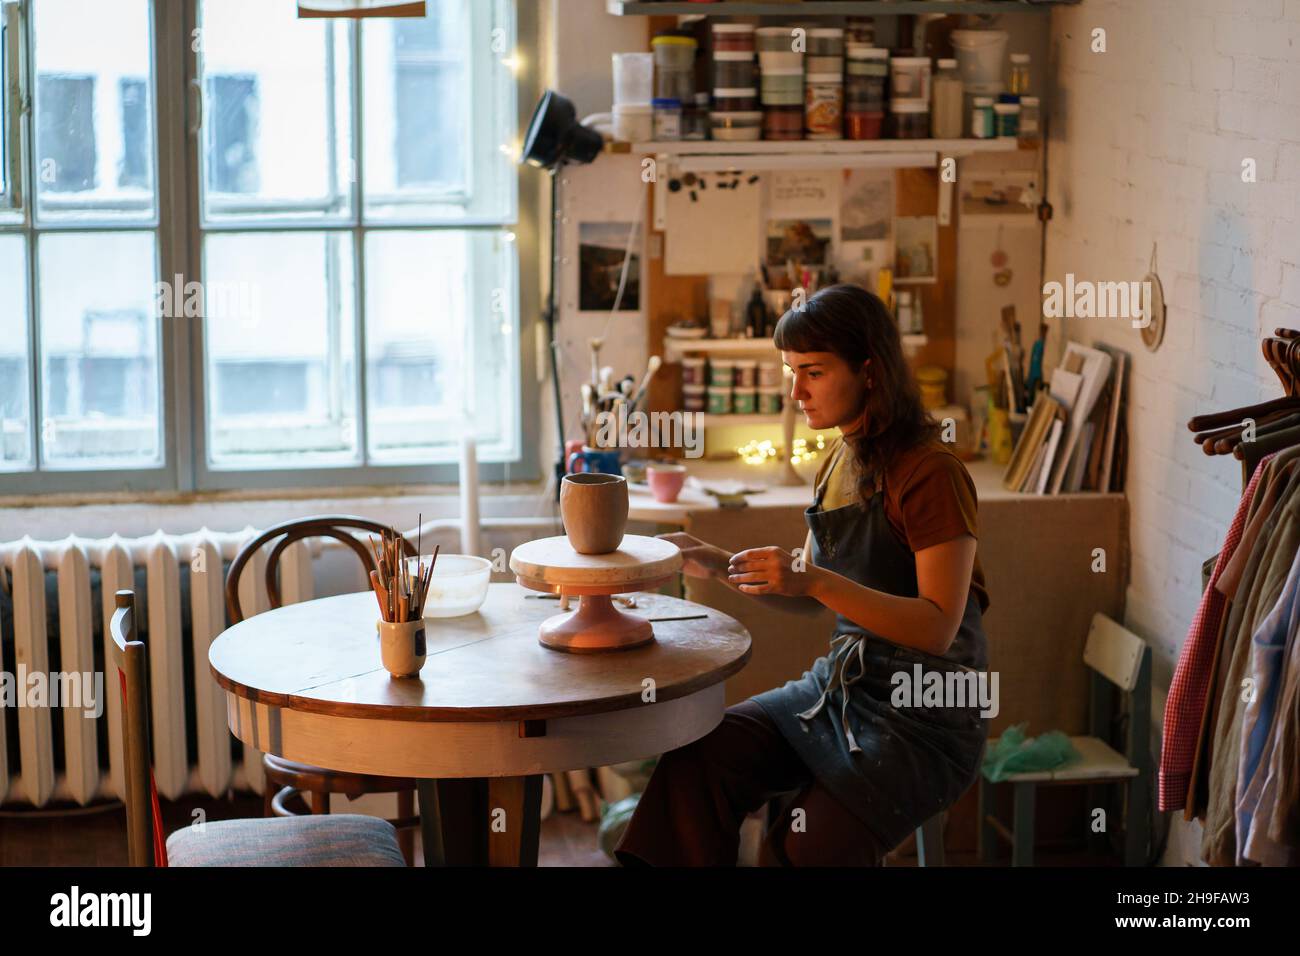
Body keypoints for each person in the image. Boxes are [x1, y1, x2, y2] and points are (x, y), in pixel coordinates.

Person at [614, 284, 992, 867]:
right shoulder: (838, 458)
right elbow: (805, 593)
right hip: (842, 694)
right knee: (697, 762)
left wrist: (814, 580)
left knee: (802, 844)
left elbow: (938, 627)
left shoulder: (931, 472)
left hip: (926, 717)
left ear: (870, 370)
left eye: (812, 372)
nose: (796, 392)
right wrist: (717, 564)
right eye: (791, 371)